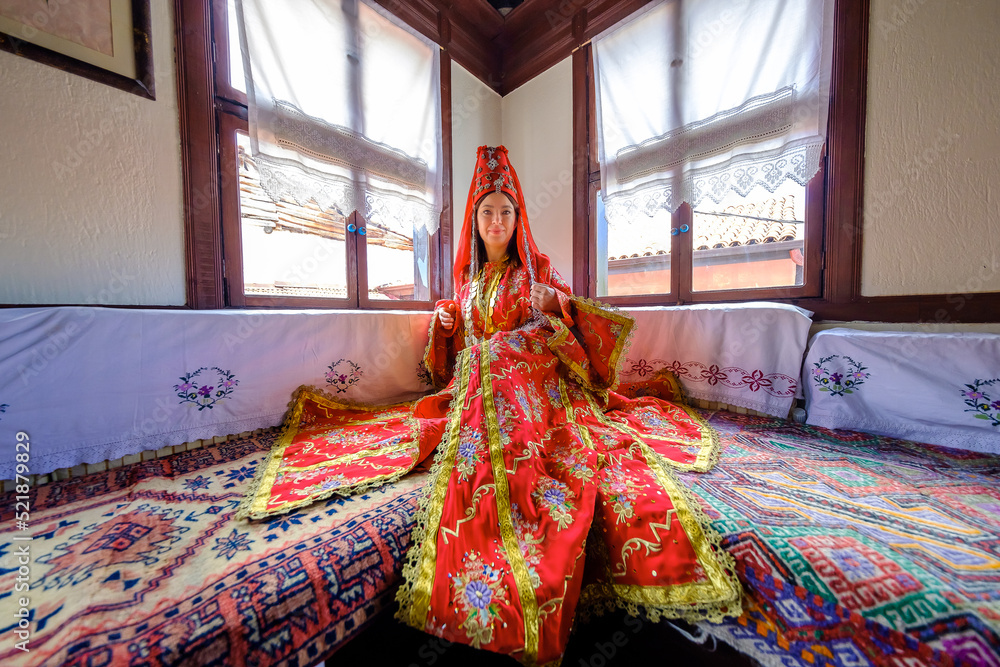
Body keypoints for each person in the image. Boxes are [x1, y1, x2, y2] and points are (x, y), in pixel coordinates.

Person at [239, 146, 741, 664]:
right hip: (482, 386)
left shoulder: (537, 273)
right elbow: (450, 364)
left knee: (498, 353)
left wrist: (558, 307)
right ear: (474, 222)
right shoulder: (468, 285)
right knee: (479, 359)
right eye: (486, 212)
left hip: (541, 393)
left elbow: (576, 342)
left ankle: (519, 497)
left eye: (505, 212)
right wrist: (447, 327)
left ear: (517, 218)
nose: (496, 221)